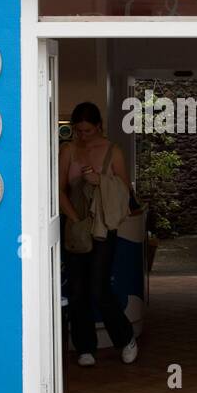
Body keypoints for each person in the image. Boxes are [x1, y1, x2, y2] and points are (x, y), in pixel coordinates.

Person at [59, 102, 138, 367]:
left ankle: (125, 338)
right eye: (78, 131)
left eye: (88, 131)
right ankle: (85, 347)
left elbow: (125, 191)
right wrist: (75, 219)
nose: (83, 136)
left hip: (104, 227)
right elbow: (58, 190)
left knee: (99, 287)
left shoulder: (112, 151)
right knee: (78, 289)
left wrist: (100, 181)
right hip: (75, 225)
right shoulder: (67, 150)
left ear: (99, 127)